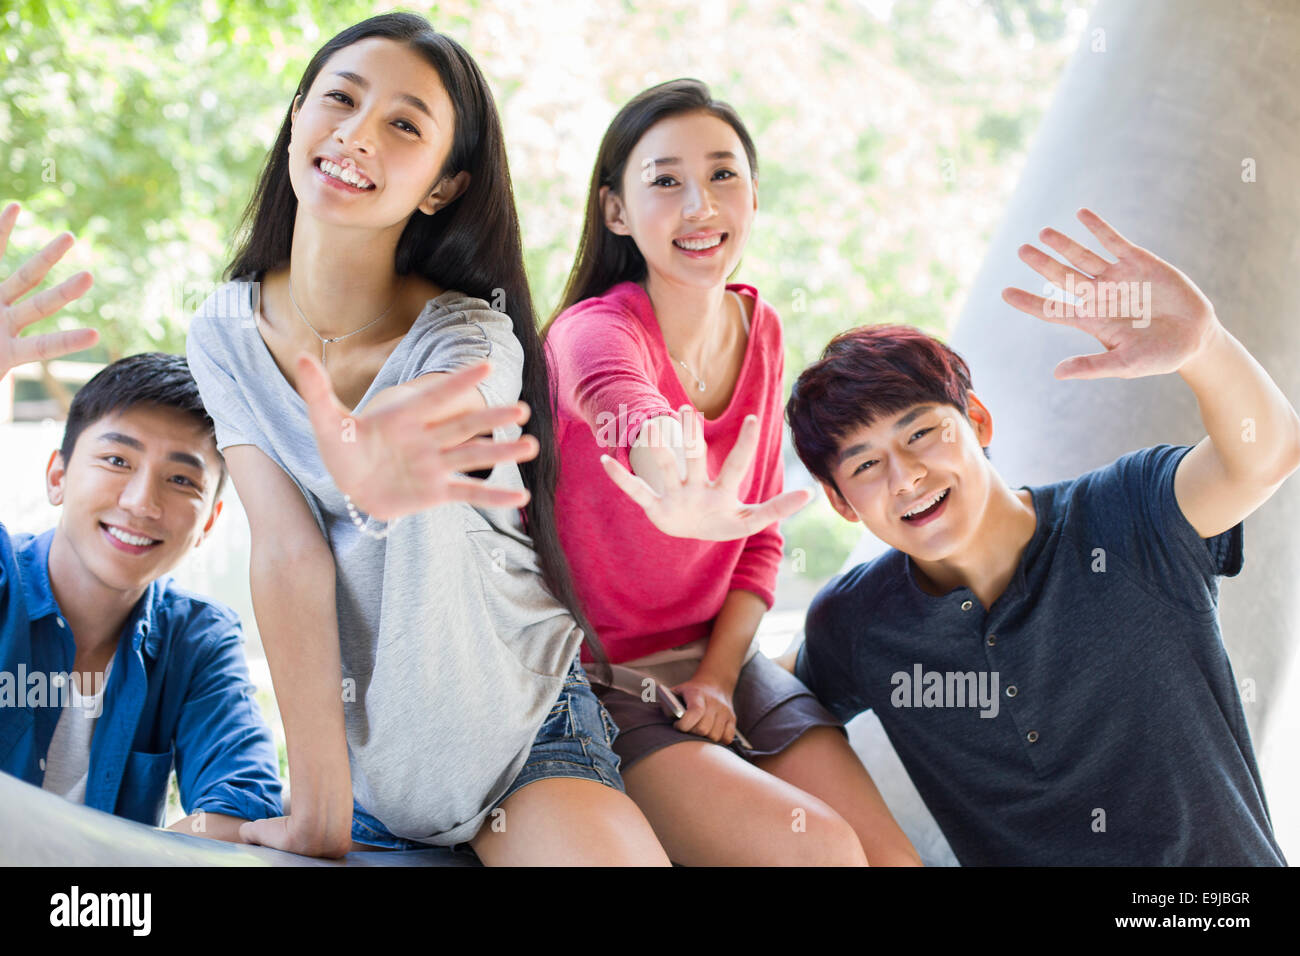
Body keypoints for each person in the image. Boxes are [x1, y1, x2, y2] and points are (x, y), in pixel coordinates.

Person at [185, 13, 668, 864]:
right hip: (372, 783)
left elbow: (451, 405)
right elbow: (289, 558)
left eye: (404, 124)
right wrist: (317, 812)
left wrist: (374, 465)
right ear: (298, 117)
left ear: (443, 186)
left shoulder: (468, 339)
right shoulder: (225, 333)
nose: (357, 133)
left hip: (527, 742)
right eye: (339, 98)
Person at [784, 208, 1296, 865]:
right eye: (864, 465)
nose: (906, 476)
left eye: (920, 433)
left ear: (978, 420)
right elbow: (774, 703)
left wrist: (1205, 347)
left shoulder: (1128, 512)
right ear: (840, 502)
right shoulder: (857, 624)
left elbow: (1267, 455)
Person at [543, 79, 921, 865]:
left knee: (892, 859)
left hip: (725, 662)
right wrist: (673, 476)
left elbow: (757, 545)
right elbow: (621, 402)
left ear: (753, 194)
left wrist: (717, 679)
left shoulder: (763, 328)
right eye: (665, 181)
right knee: (818, 851)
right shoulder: (593, 332)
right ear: (615, 210)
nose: (698, 206)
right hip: (602, 682)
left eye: (722, 175)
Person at [0, 202, 283, 842]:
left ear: (209, 520)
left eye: (181, 478)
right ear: (56, 476)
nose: (140, 501)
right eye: (115, 459)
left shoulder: (198, 640)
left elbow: (244, 802)